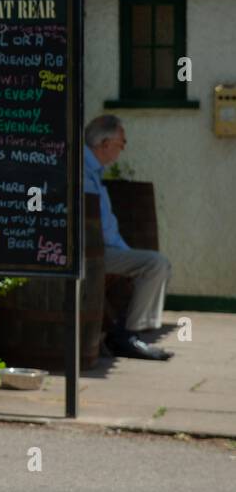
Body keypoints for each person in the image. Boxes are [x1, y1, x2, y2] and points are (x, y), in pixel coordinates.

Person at [83, 114, 173, 360]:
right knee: (156, 264)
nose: (122, 149)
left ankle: (125, 331)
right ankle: (127, 336)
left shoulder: (92, 169)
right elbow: (91, 224)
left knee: (152, 263)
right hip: (90, 253)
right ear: (105, 144)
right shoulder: (82, 169)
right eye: (121, 143)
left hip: (103, 249)